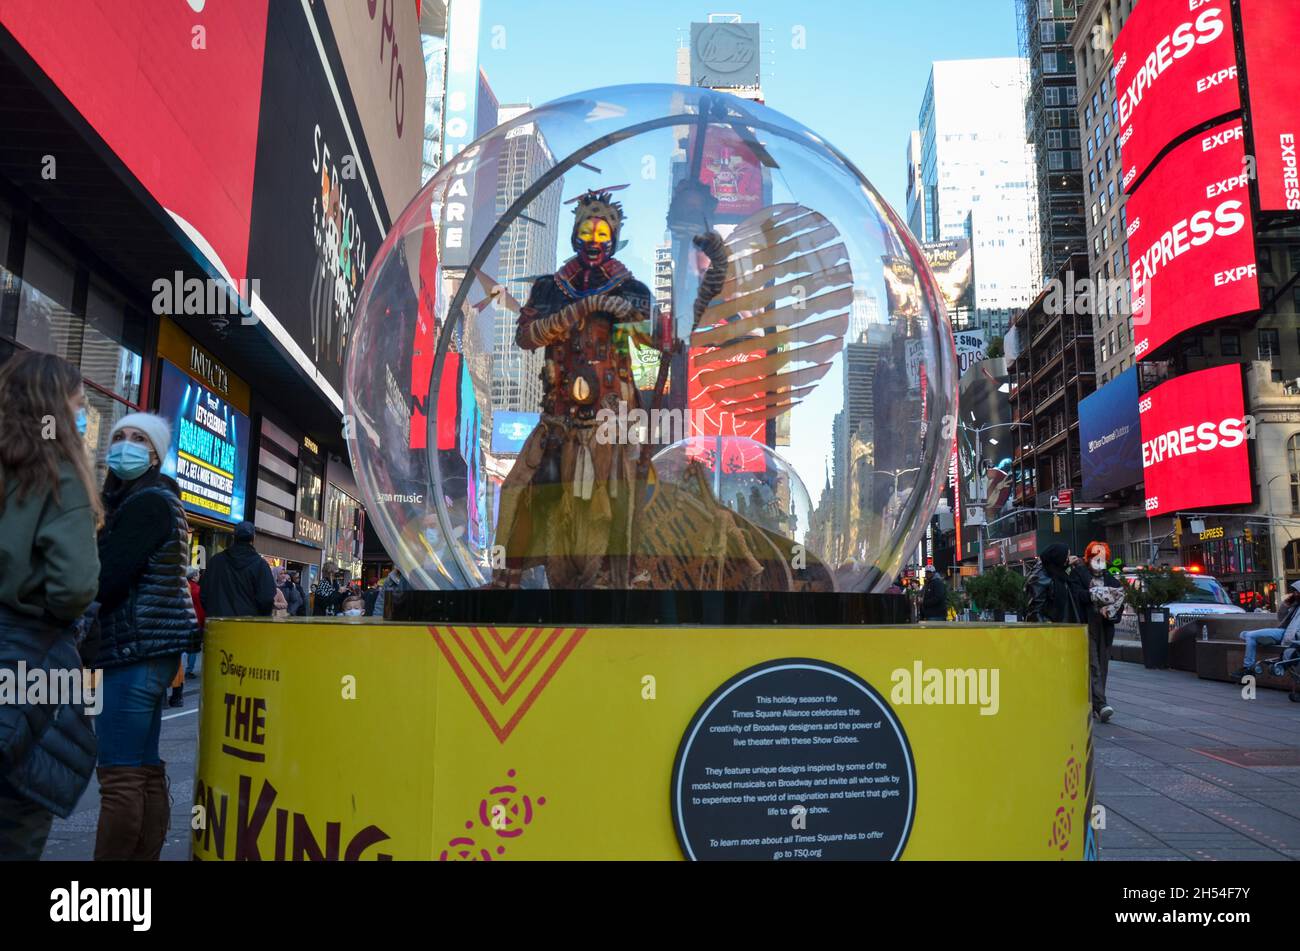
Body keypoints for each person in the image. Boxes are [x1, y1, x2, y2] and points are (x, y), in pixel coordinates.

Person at [0, 352, 103, 860]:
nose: (84, 416)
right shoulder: (59, 473)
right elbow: (75, 585)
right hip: (29, 659)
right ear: (55, 409)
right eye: (80, 404)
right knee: (17, 822)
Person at [95, 411, 199, 860]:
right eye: (119, 436)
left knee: (118, 775)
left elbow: (109, 578)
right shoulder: (153, 500)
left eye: (139, 438)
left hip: (134, 648)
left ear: (155, 453)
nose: (126, 444)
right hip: (151, 648)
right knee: (143, 767)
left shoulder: (148, 503)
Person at [1072, 541, 1125, 722]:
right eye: (1095, 555)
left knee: (1102, 666)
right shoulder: (1080, 575)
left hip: (1104, 626)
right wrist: (1097, 595)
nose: (1099, 559)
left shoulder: (1112, 580)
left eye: (1102, 556)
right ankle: (1101, 704)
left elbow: (1119, 604)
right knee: (1094, 665)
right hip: (1087, 625)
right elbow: (1078, 595)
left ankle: (1096, 703)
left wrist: (1109, 612)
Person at [200, 522, 276, 618]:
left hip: (217, 625)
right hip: (247, 627)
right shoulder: (260, 565)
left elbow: (204, 595)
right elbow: (267, 598)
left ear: (234, 537)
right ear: (253, 538)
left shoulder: (215, 561)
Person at [1232, 580, 1300, 678]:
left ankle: (1248, 668)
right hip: (1284, 632)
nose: (1295, 594)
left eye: (1297, 592)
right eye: (1294, 592)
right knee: (1250, 636)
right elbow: (1281, 618)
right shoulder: (1296, 605)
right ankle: (1249, 668)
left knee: (1249, 635)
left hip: (1293, 638)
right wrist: (1286, 604)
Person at [1026, 543, 1087, 624]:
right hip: (1050, 630)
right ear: (1058, 558)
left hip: (1060, 626)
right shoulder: (1040, 578)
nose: (1068, 559)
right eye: (1066, 557)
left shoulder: (1054, 570)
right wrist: (1049, 630)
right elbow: (1034, 612)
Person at [169, 568, 204, 708]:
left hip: (174, 627)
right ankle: (176, 696)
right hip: (181, 626)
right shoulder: (186, 586)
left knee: (176, 661)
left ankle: (174, 696)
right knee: (178, 662)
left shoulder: (181, 585)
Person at [183, 568, 203, 680]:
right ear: (194, 576)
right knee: (193, 648)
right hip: (195, 621)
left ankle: (180, 671)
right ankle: (189, 670)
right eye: (198, 574)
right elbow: (200, 608)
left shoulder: (182, 586)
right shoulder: (197, 590)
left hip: (183, 620)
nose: (199, 576)